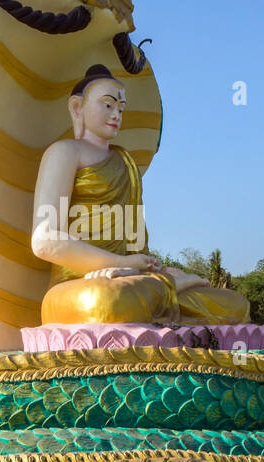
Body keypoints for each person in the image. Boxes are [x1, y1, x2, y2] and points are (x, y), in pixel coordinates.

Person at [30, 65, 251, 324]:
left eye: (121, 108)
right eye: (108, 105)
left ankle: (163, 285)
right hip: (80, 286)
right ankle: (166, 286)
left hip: (133, 281)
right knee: (108, 302)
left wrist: (145, 268)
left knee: (234, 306)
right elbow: (45, 241)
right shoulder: (64, 152)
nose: (117, 115)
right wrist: (115, 264)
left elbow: (135, 242)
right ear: (77, 107)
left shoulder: (125, 162)